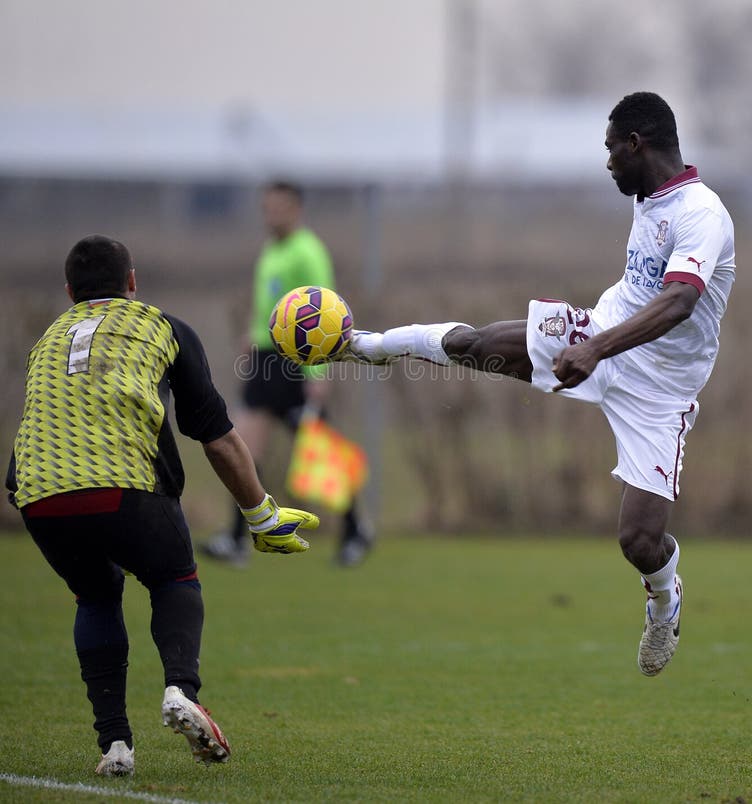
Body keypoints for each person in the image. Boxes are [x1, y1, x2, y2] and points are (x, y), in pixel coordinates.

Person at [346, 92, 735, 677]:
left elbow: (680, 301)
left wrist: (596, 348)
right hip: (601, 334)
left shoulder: (702, 214)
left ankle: (665, 599)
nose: (606, 164)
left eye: (611, 149)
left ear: (637, 143)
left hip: (661, 394)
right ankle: (371, 346)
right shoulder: (651, 198)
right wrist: (596, 340)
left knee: (638, 540)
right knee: (476, 345)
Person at [5, 235, 319, 778]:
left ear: (68, 292)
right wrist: (261, 517)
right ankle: (181, 690)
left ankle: (116, 746)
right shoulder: (164, 326)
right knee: (174, 578)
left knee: (96, 596)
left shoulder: (46, 341)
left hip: (39, 494)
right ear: (133, 281)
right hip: (122, 486)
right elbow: (217, 439)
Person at [202, 180, 371, 567]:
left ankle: (354, 530)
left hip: (296, 364)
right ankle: (235, 539)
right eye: (266, 208)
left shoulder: (308, 252)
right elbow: (269, 307)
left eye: (278, 207)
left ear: (296, 209)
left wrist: (320, 373)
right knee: (242, 449)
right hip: (265, 361)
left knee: (319, 454)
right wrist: (252, 333)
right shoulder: (270, 250)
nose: (271, 215)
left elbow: (328, 318)